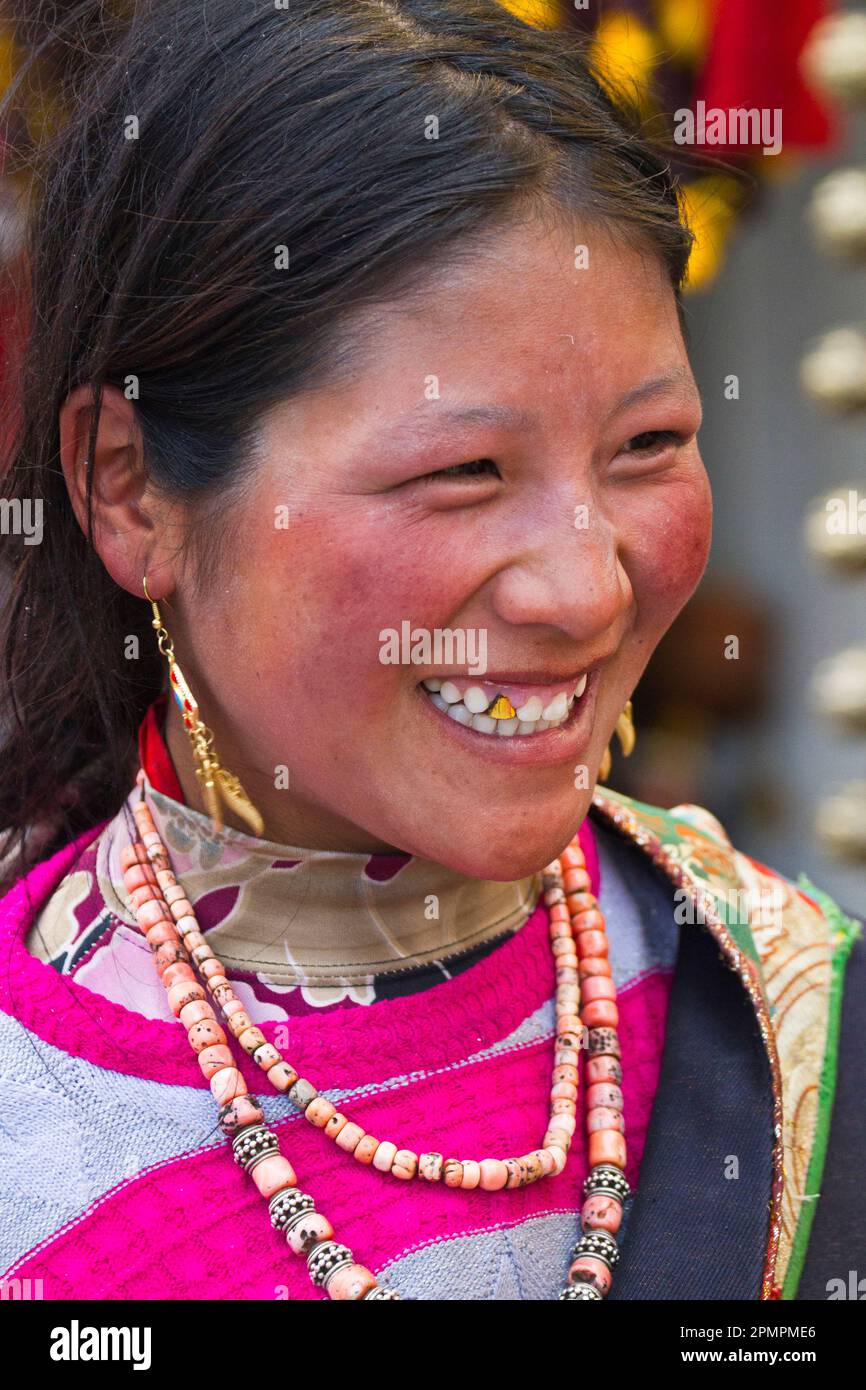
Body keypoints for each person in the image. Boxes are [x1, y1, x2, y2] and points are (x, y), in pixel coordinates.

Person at [0, 0, 861, 1303]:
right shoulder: (34, 1134)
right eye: (462, 470)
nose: (584, 590)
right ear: (128, 490)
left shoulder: (788, 1011)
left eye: (644, 448)